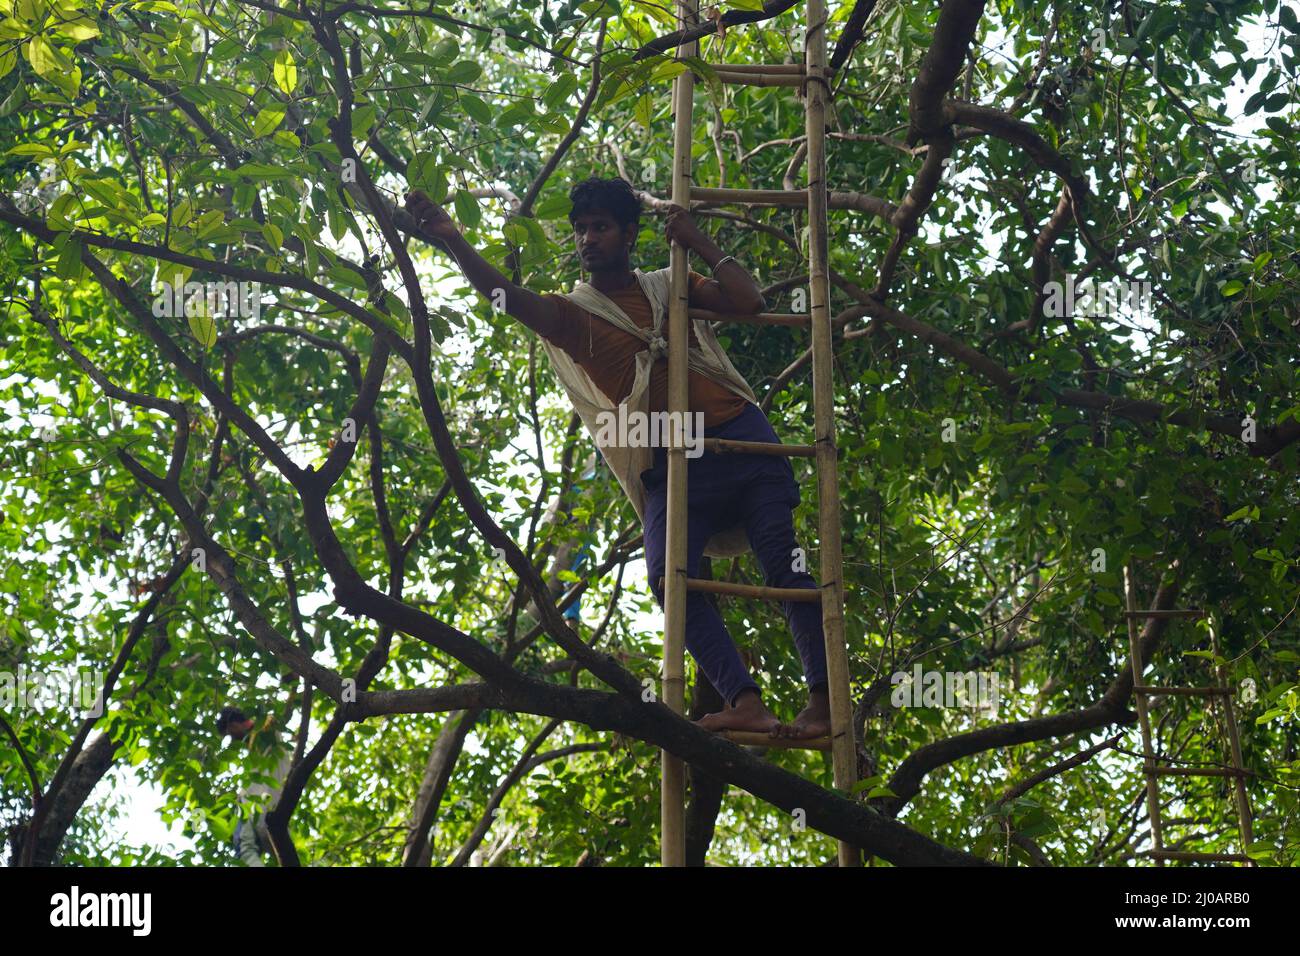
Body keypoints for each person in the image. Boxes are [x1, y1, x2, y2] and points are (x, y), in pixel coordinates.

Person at [404, 176, 829, 740]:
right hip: (676, 467)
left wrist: (696, 237)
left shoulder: (668, 286)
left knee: (785, 564)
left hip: (744, 441)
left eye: (599, 227)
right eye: (580, 229)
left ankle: (823, 700)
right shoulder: (572, 317)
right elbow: (504, 298)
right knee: (666, 578)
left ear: (629, 234)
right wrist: (452, 239)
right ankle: (744, 700)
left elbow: (749, 300)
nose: (587, 239)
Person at [217, 705, 293, 866]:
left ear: (233, 725)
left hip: (267, 807)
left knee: (251, 848)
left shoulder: (266, 729)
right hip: (251, 806)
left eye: (230, 733)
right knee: (244, 849)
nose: (233, 739)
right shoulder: (253, 751)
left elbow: (283, 714)